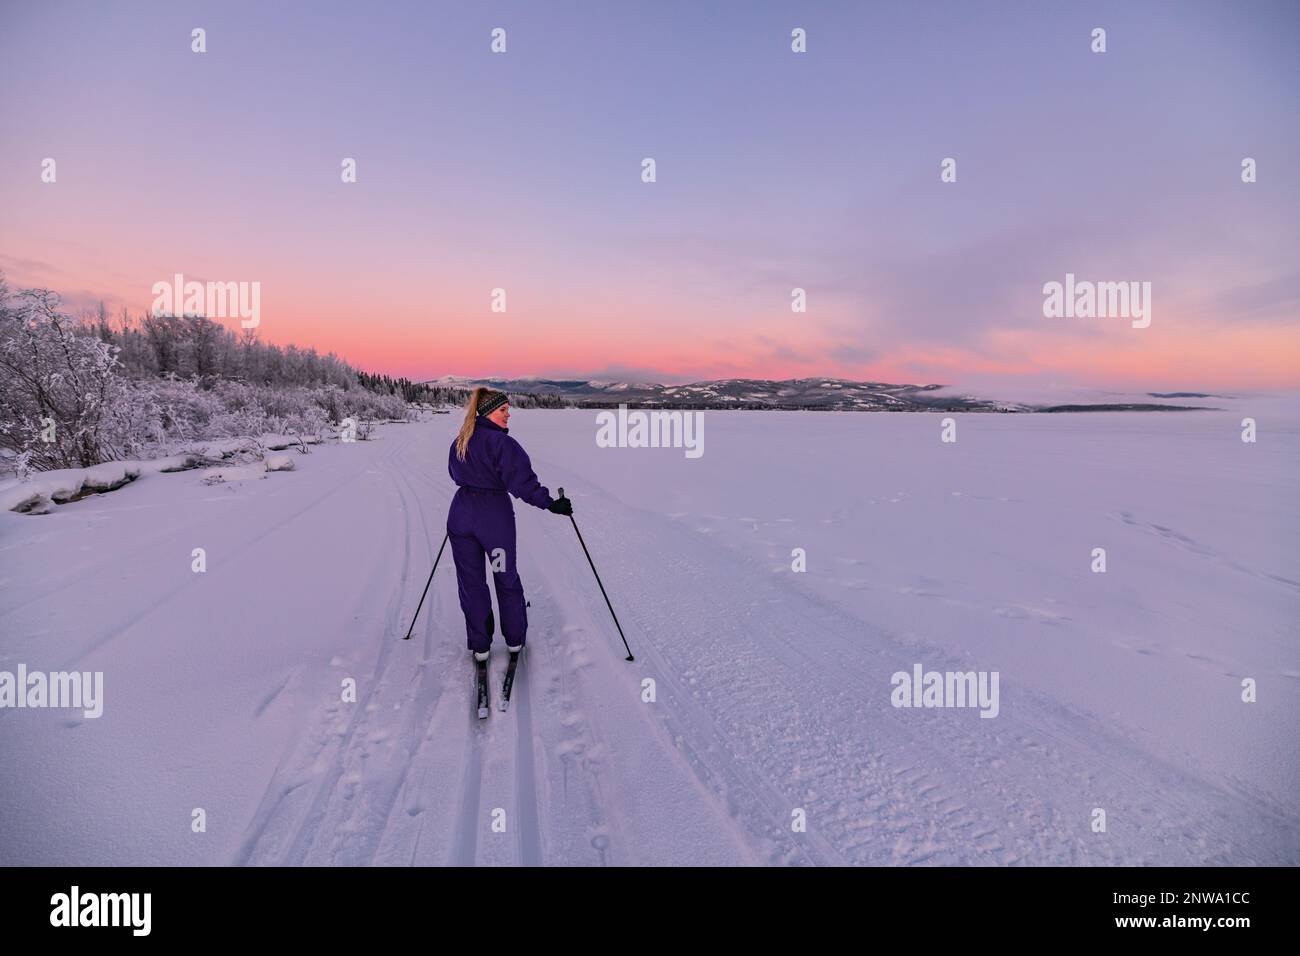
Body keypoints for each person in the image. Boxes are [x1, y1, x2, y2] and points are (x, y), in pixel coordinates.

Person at [447, 387, 572, 666]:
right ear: (488, 412)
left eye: (508, 409)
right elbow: (523, 484)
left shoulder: (461, 440)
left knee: (471, 582)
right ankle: (514, 639)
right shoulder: (503, 445)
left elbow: (455, 474)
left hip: (460, 516)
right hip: (494, 521)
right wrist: (550, 503)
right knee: (505, 576)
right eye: (503, 410)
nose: (508, 414)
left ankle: (480, 645)